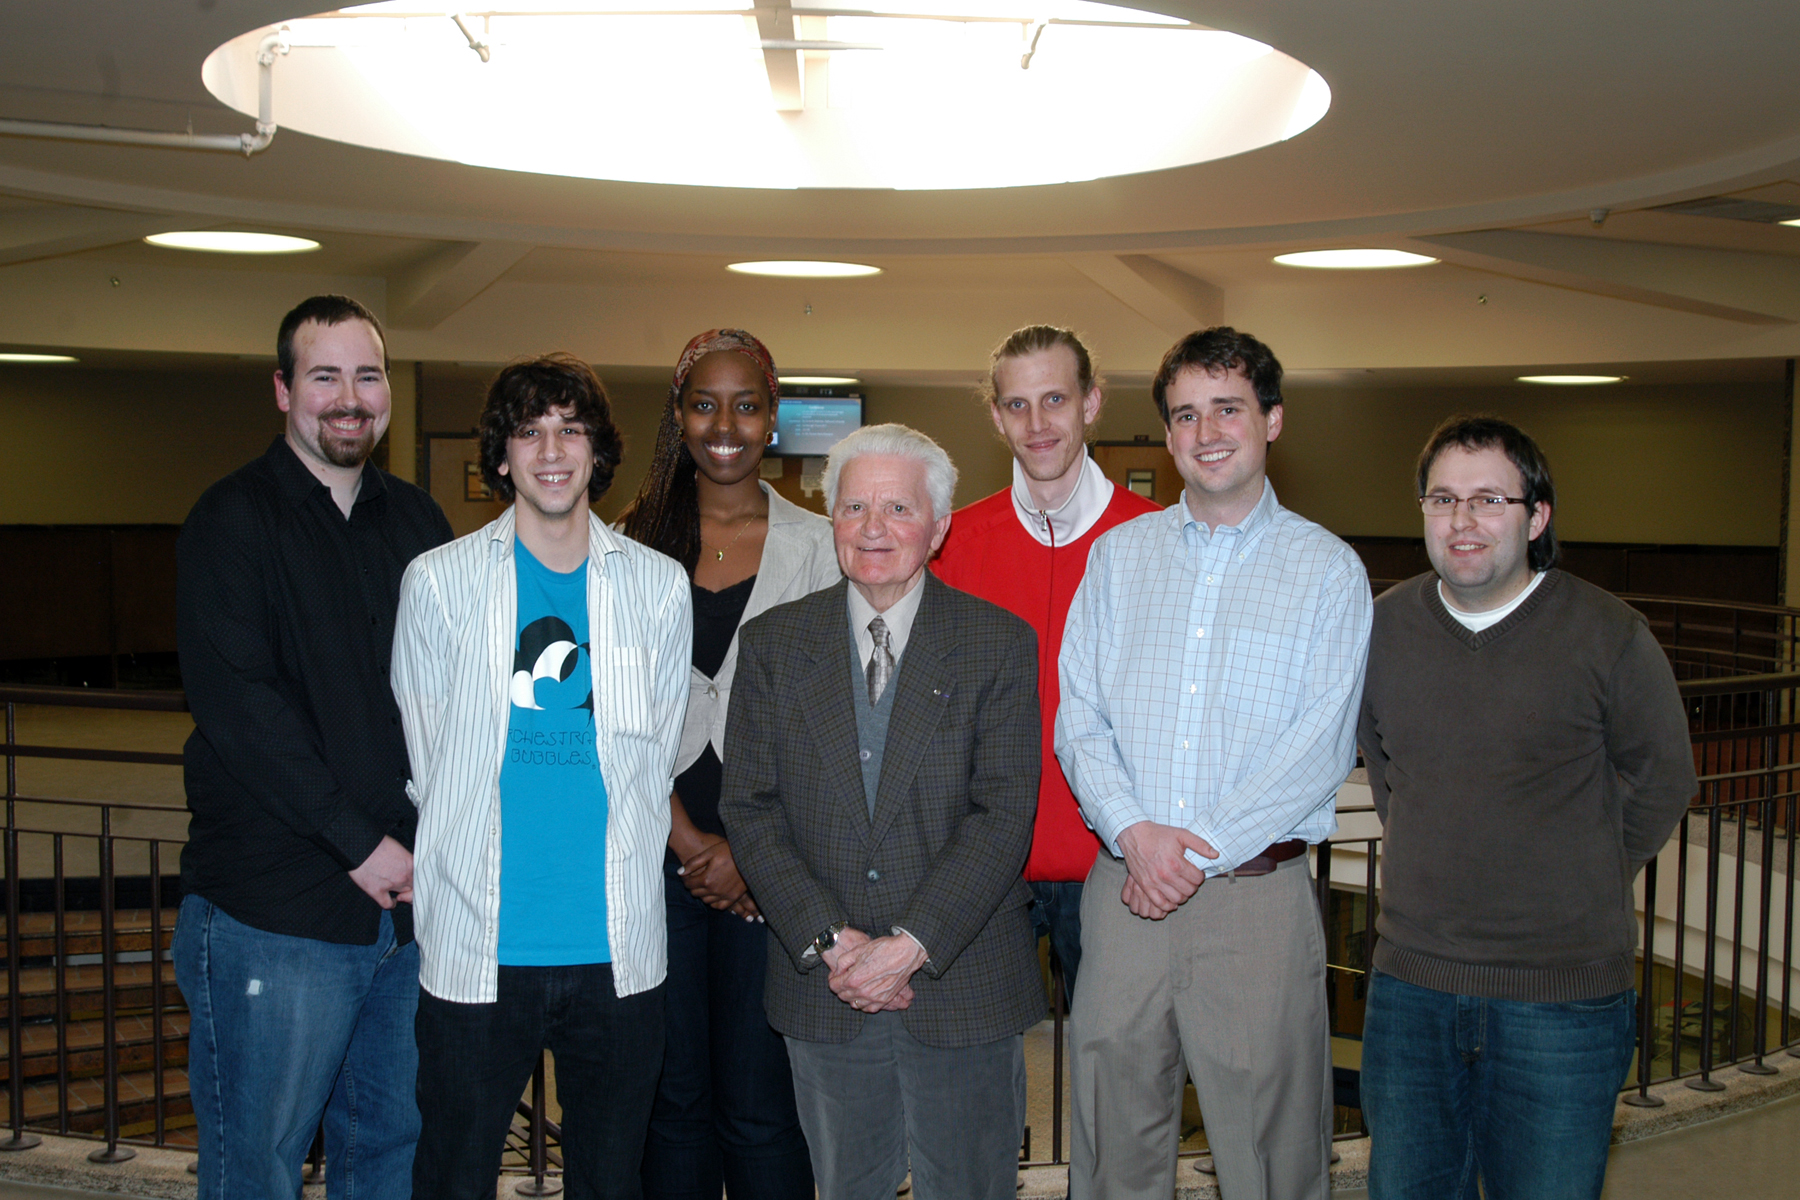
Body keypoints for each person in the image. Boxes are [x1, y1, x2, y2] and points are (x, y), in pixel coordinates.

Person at [1056, 327, 1371, 1200]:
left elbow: (1318, 748)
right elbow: (1079, 717)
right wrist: (1132, 833)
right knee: (1112, 1144)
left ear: (1272, 420)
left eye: (1227, 408)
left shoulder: (1327, 571)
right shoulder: (1118, 559)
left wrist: (1185, 854)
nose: (1207, 432)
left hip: (1256, 907)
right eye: (1185, 415)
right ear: (1168, 434)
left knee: (1271, 1152)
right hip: (1124, 897)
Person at [1355, 415, 1696, 1200]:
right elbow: (1385, 765)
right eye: (1442, 499)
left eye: (1488, 500)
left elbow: (1664, 779)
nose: (1462, 522)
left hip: (1563, 1003)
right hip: (1413, 993)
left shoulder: (1609, 634)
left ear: (1536, 516)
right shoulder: (1382, 627)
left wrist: (1581, 870)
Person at [172, 293, 452, 1200]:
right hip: (277, 917)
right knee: (257, 1165)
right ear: (284, 390)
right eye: (324, 375)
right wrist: (357, 843)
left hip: (408, 916)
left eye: (367, 376)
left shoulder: (420, 525)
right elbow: (242, 710)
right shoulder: (231, 521)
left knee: (389, 1158)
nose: (349, 397)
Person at [390, 354, 690, 1199]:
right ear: (501, 454)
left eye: (571, 428)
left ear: (599, 450)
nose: (551, 449)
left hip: (618, 947)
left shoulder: (658, 590)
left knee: (610, 1179)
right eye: (529, 430)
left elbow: (654, 752)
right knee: (451, 1174)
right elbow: (430, 757)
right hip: (479, 943)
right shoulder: (439, 585)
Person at [720, 423, 1044, 1200]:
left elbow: (1002, 815)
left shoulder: (997, 644)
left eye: (898, 508)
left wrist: (907, 947)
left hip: (960, 981)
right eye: (854, 506)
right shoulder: (770, 645)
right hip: (825, 988)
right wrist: (834, 944)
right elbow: (751, 808)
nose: (873, 528)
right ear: (830, 521)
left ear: (939, 527)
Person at [619, 329, 835, 1200]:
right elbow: (610, 716)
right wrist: (687, 843)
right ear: (679, 413)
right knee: (671, 1099)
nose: (726, 424)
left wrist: (745, 852)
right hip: (649, 857)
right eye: (705, 403)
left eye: (746, 404)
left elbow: (831, 722)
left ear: (773, 417)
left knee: (759, 1102)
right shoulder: (625, 545)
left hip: (771, 869)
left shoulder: (821, 546)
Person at [932, 325, 1157, 1004]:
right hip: (979, 866)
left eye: (1054, 399)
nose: (1037, 424)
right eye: (1017, 405)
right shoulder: (951, 544)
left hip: (1114, 866)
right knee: (971, 1075)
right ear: (997, 415)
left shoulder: (1155, 539)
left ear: (1091, 402)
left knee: (1119, 1086)